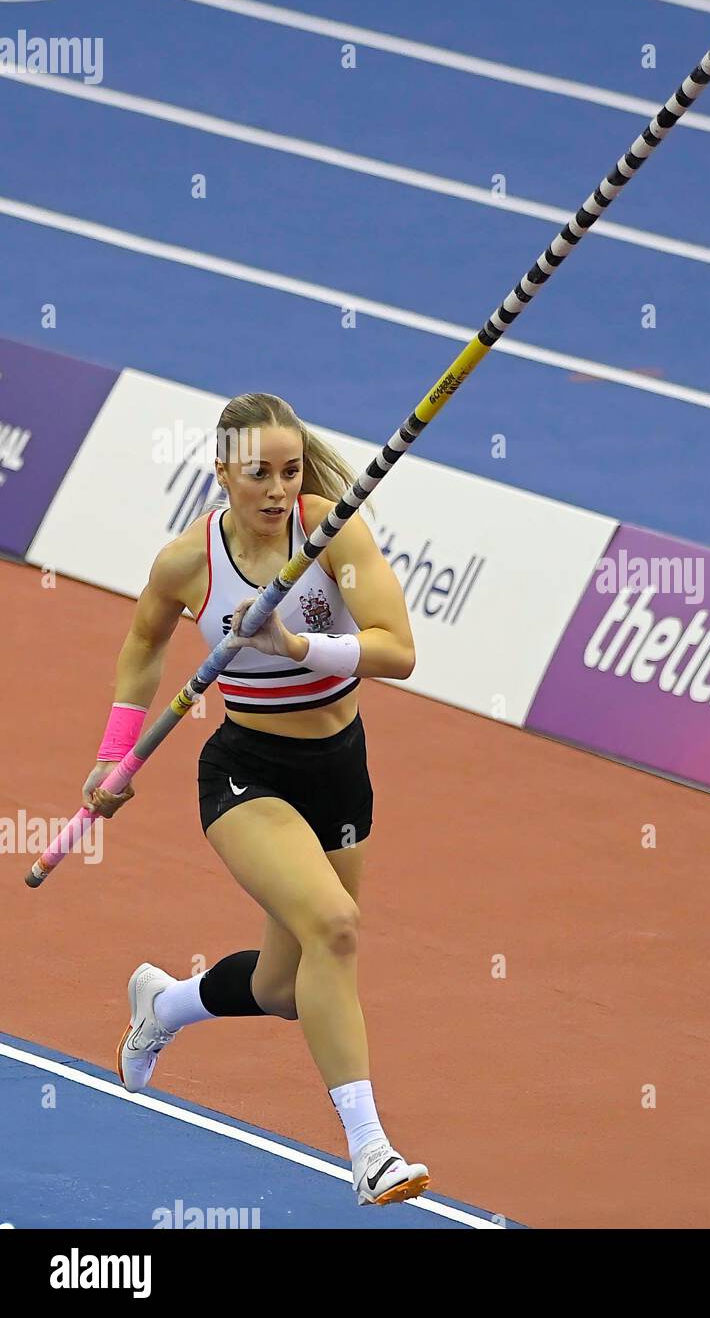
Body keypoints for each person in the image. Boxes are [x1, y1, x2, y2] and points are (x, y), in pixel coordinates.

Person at [84, 393, 427, 1207]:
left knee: (283, 986)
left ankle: (161, 1003)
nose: (278, 490)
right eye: (258, 473)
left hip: (340, 772)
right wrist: (114, 756)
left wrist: (294, 643)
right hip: (246, 774)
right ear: (221, 473)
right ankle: (369, 1148)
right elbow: (143, 642)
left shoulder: (331, 532)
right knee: (336, 928)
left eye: (290, 470)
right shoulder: (189, 561)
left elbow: (399, 650)